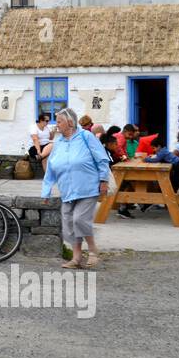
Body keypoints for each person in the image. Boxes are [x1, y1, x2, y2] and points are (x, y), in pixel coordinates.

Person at [42, 107, 111, 269]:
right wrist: (46, 191)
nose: (56, 125)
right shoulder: (58, 142)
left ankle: (93, 250)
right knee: (69, 225)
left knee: (79, 219)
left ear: (70, 123)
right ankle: (76, 258)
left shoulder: (86, 136)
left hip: (87, 187)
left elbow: (102, 158)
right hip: (67, 190)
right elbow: (51, 168)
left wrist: (103, 180)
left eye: (59, 122)